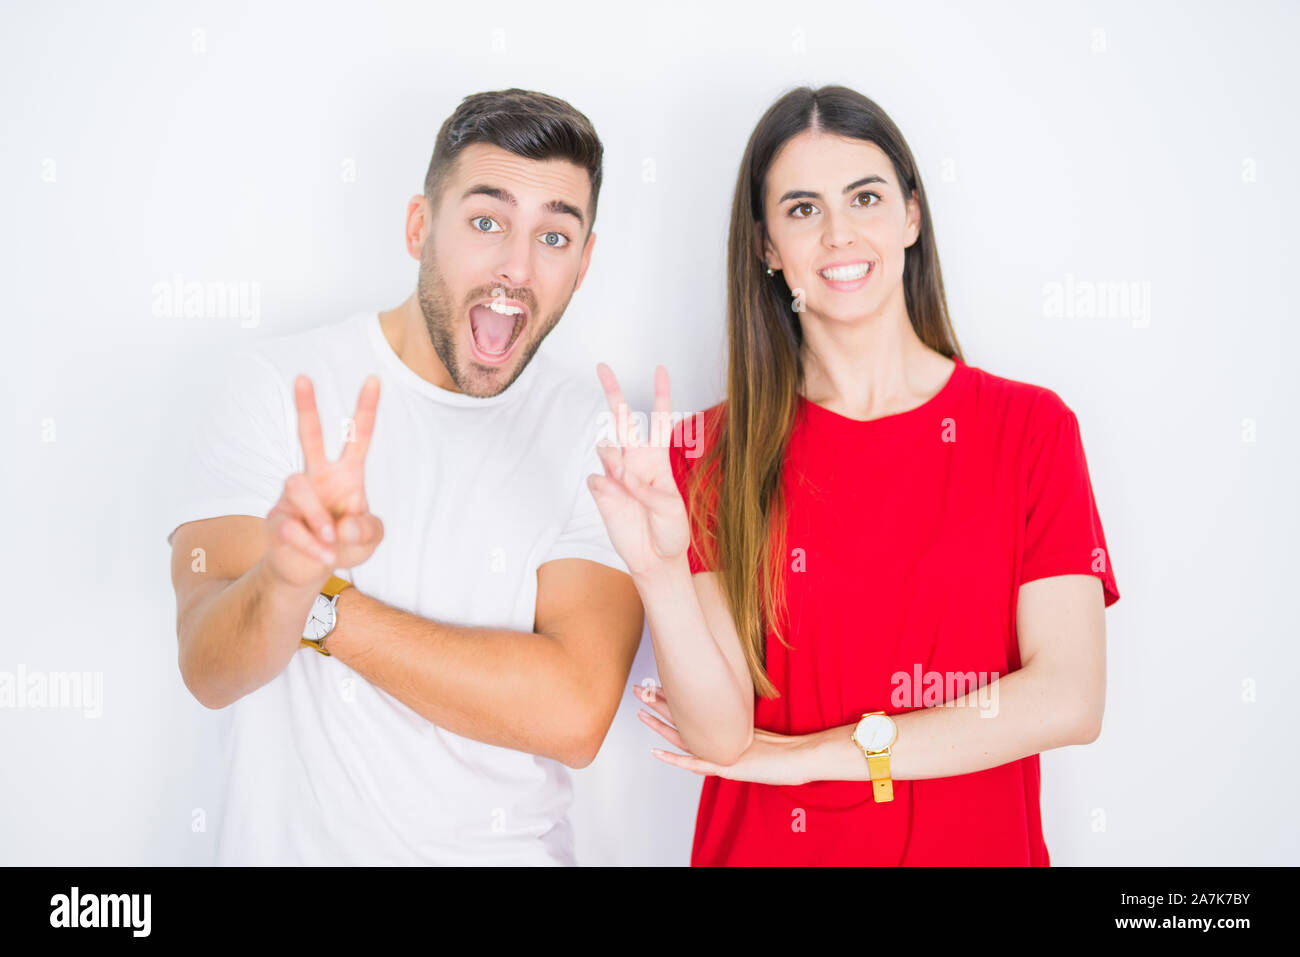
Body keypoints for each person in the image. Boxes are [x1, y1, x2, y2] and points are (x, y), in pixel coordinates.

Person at [587, 85, 1120, 866]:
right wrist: (663, 573)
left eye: (864, 197)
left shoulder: (1030, 430)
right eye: (802, 209)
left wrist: (819, 755)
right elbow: (721, 737)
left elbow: (1069, 698)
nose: (839, 233)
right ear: (767, 245)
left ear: (911, 215)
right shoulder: (706, 451)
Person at [166, 88, 644, 866]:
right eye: (486, 222)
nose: (516, 268)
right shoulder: (275, 387)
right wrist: (286, 576)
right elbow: (207, 667)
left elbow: (575, 711)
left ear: (584, 262)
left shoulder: (602, 433)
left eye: (554, 236)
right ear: (420, 225)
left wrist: (323, 607)